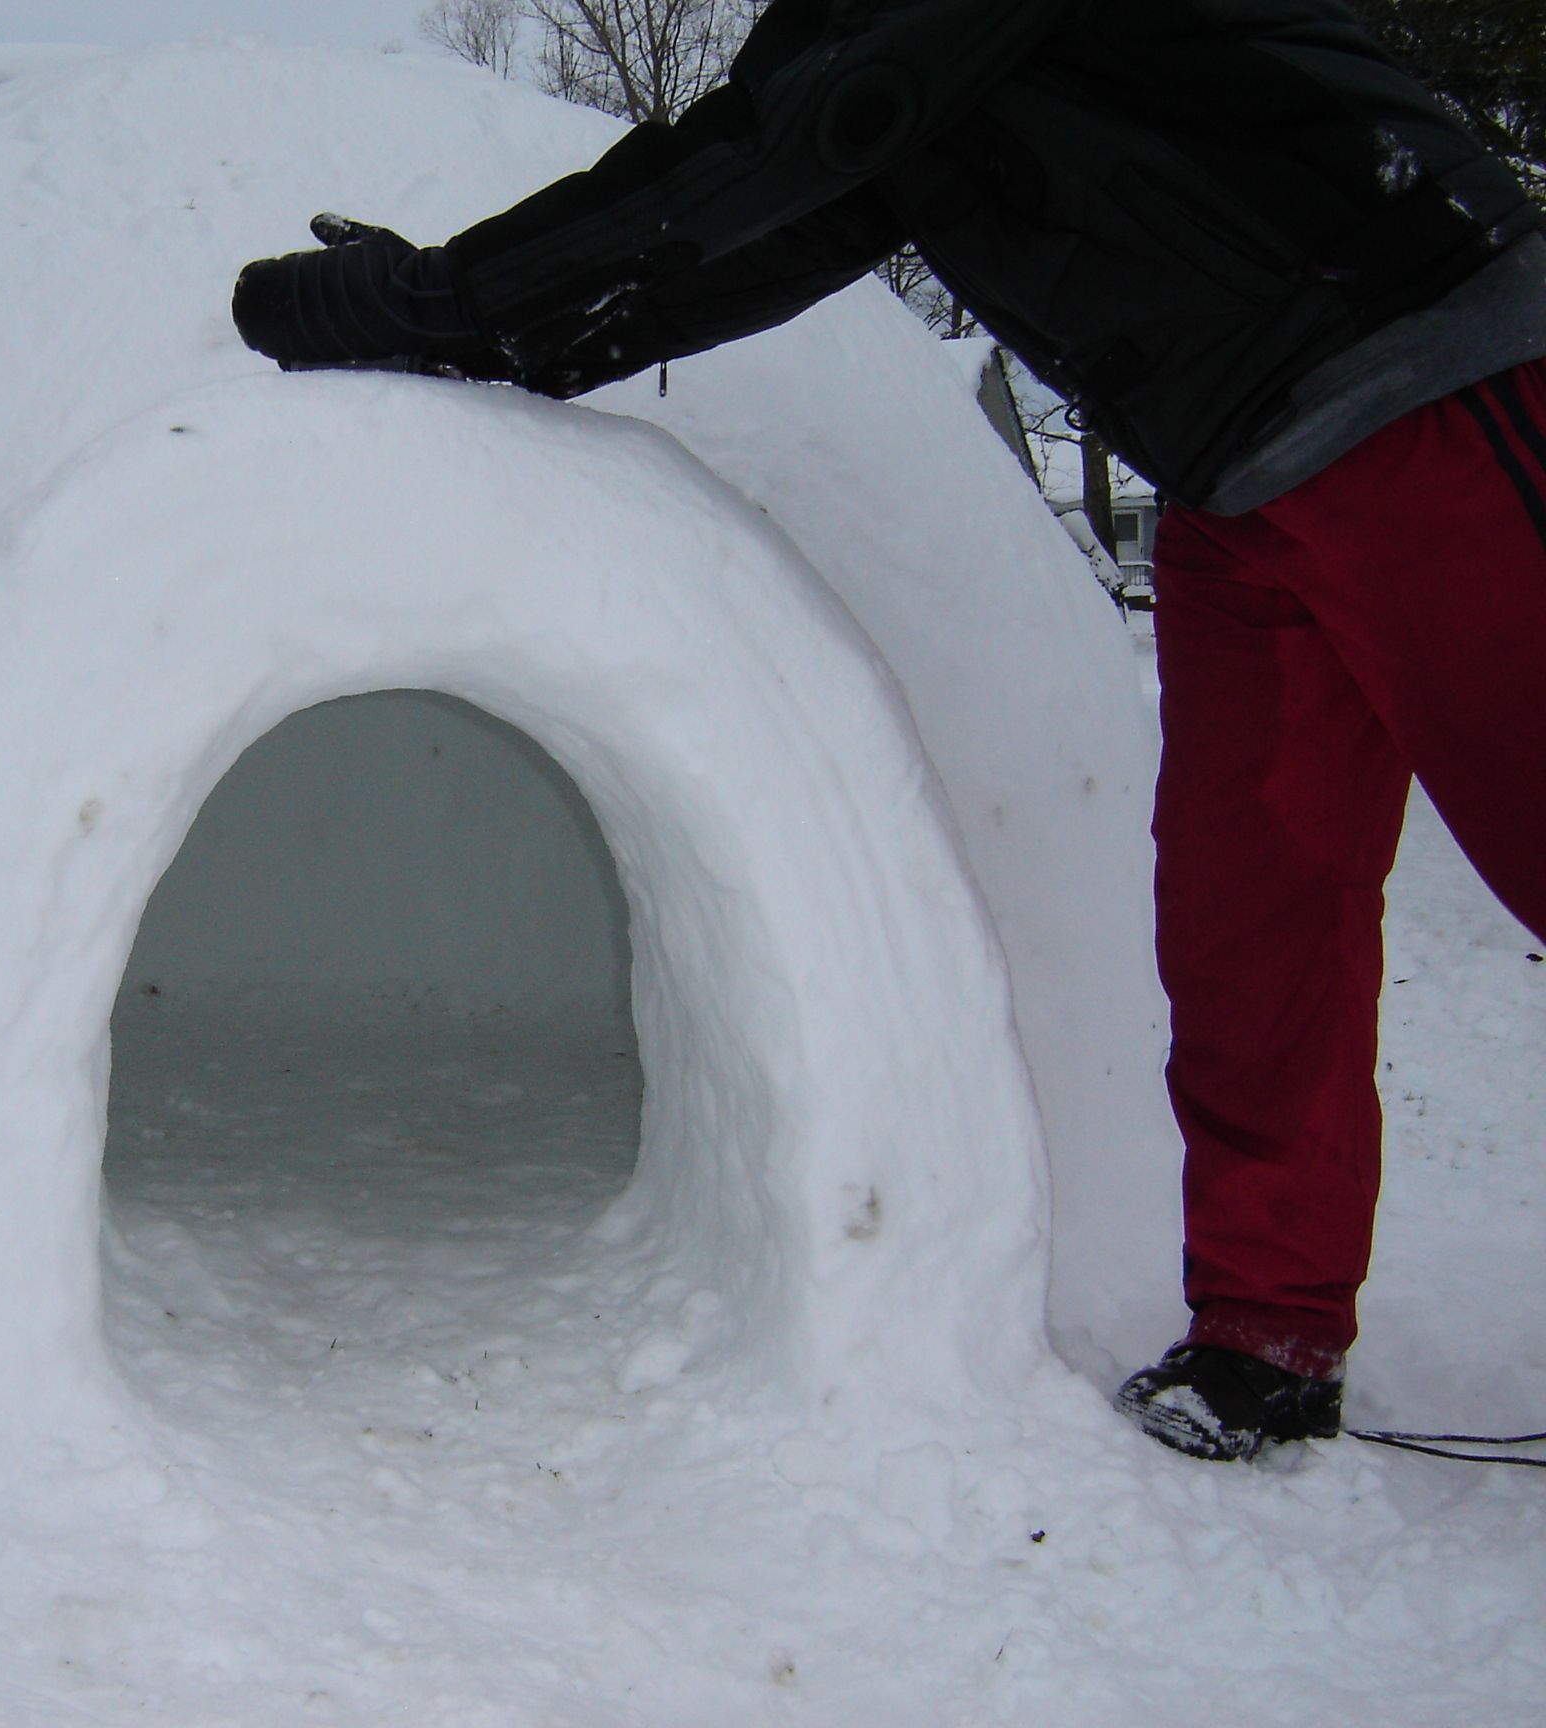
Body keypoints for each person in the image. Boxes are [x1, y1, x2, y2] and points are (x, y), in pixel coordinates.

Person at [229, 0, 1546, 1462]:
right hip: (1239, 471)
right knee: (1251, 919)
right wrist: (505, 337)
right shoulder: (887, 48)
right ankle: (1269, 1332)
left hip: (1440, 372)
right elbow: (776, 219)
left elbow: (772, 151)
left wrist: (438, 296)